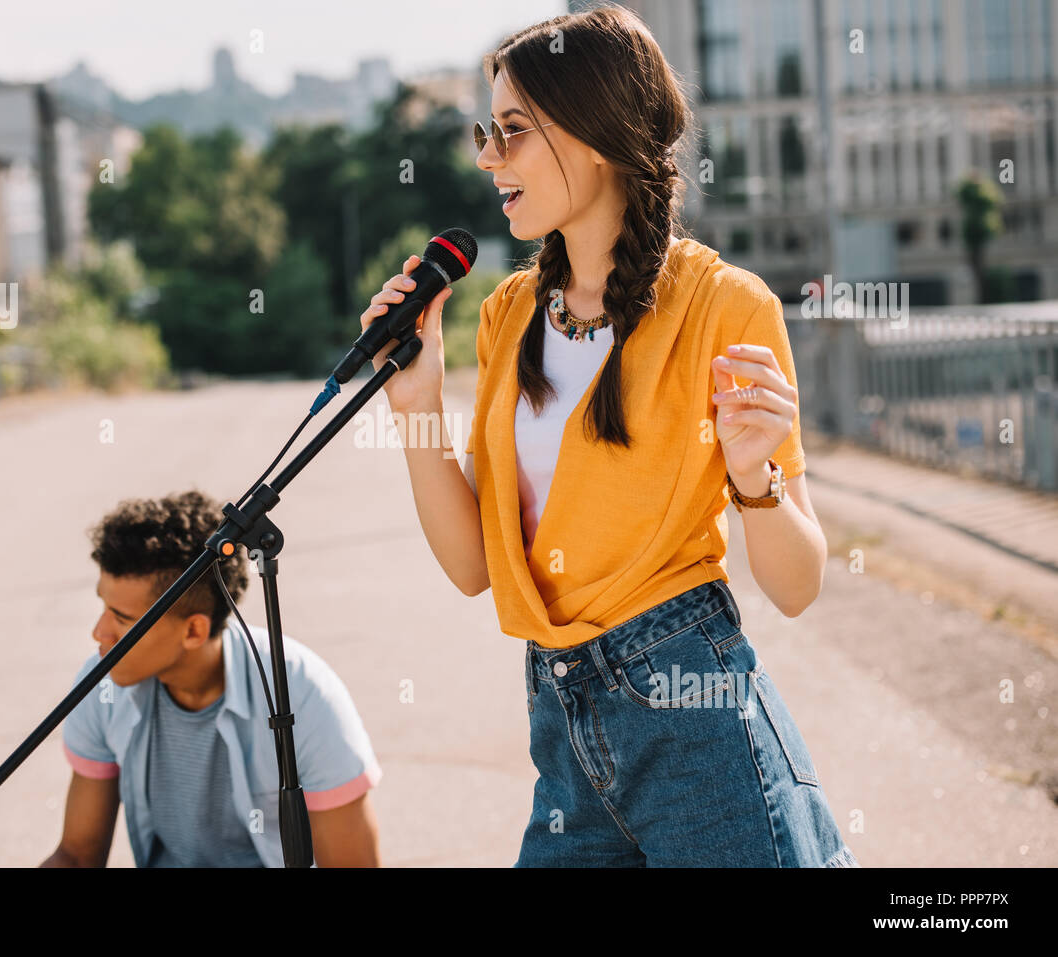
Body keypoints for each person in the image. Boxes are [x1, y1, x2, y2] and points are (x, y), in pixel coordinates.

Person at [358, 7, 858, 867]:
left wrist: (753, 479)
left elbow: (799, 583)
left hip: (695, 721)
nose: (487, 156)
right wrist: (417, 402)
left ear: (595, 134)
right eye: (488, 130)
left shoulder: (725, 307)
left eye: (513, 131)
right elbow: (475, 567)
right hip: (561, 725)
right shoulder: (511, 314)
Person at [40, 490, 382, 867]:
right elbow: (76, 856)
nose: (98, 632)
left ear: (193, 632)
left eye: (122, 618)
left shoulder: (303, 694)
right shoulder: (100, 682)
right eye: (104, 606)